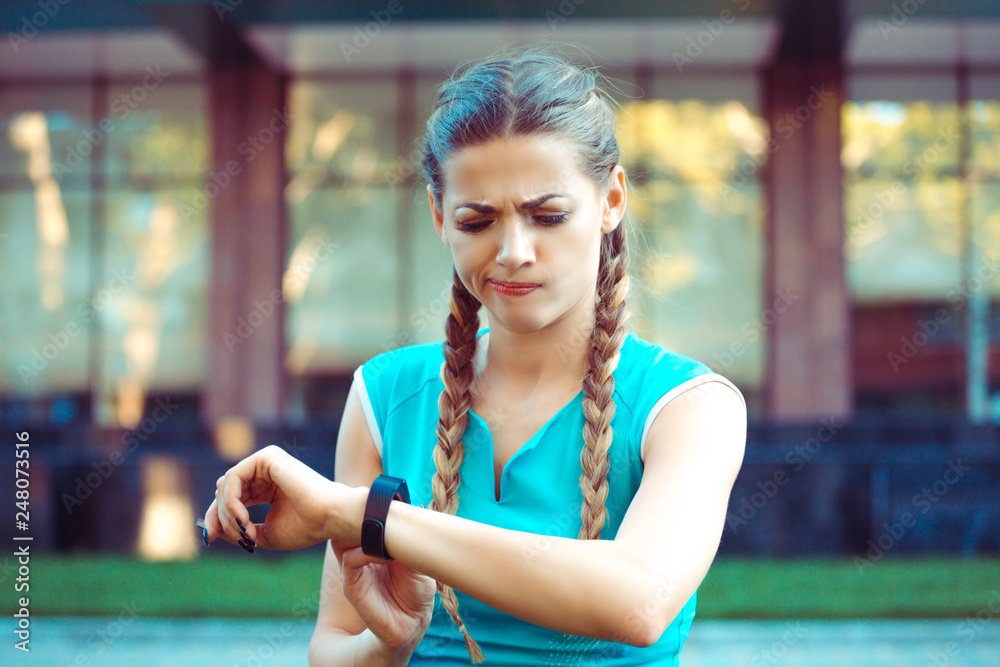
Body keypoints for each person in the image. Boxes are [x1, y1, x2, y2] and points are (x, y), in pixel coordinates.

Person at [200, 43, 747, 666]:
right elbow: (332, 650)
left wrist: (354, 513)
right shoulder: (384, 395)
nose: (513, 250)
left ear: (612, 200)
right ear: (438, 214)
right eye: (476, 220)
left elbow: (640, 600)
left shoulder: (689, 406)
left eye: (547, 215)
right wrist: (392, 640)